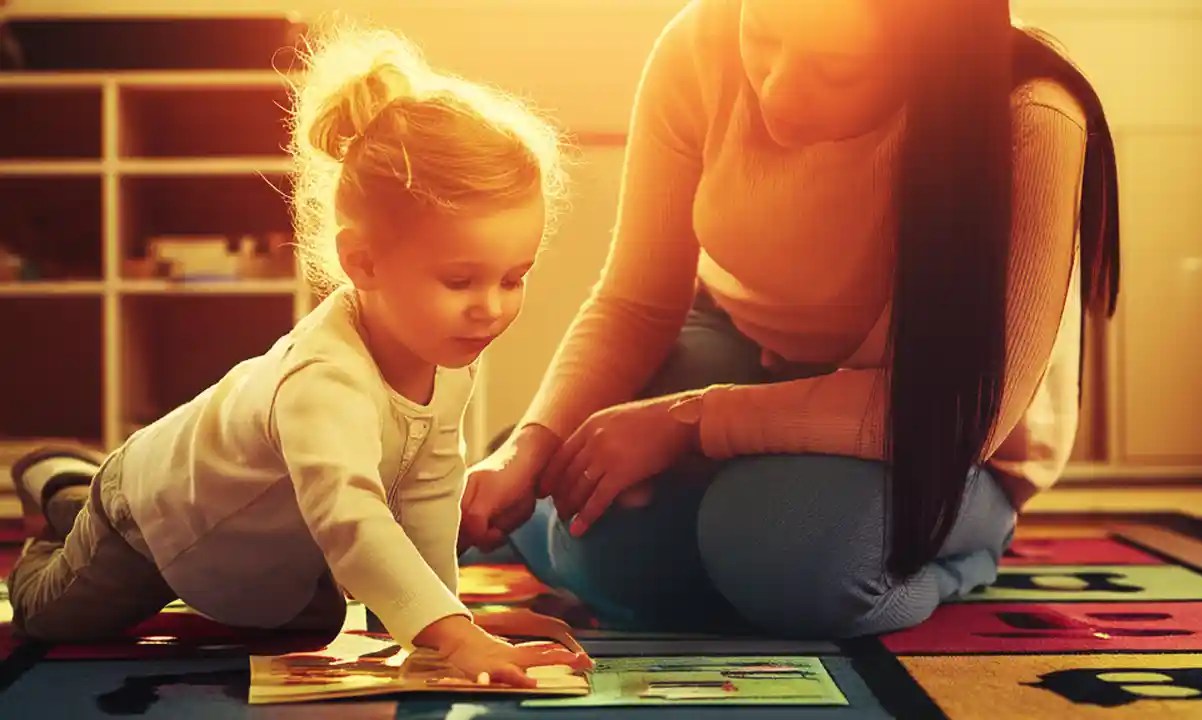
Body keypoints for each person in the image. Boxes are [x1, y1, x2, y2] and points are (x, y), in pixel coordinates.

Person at [459, 0, 1119, 637]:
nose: (778, 91)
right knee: (603, 546)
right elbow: (636, 303)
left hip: (935, 437)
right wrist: (534, 447)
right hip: (741, 351)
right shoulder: (700, 41)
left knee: (789, 557)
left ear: (928, 57)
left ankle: (963, 555)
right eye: (764, 37)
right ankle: (636, 526)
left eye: (836, 70)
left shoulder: (1028, 118)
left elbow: (951, 416)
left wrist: (689, 424)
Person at [7, 24, 591, 685]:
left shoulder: (446, 354)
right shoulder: (325, 379)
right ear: (361, 262)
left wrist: (449, 621)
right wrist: (456, 637)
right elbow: (352, 519)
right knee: (50, 613)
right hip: (155, 516)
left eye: (514, 277)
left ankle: (77, 492)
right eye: (460, 281)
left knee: (319, 621)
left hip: (251, 542)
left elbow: (428, 490)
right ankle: (64, 484)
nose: (491, 307)